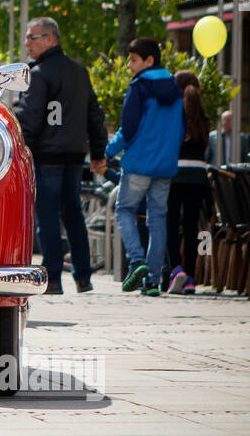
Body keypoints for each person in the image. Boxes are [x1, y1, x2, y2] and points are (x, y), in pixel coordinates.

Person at [14, 17, 107, 294]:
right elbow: (95, 115)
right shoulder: (80, 71)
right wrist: (98, 151)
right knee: (74, 215)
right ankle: (83, 277)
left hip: (48, 156)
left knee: (48, 217)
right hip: (74, 155)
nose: (27, 43)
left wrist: (21, 149)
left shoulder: (39, 74)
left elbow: (31, 119)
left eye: (33, 37)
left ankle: (53, 278)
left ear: (50, 39)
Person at [105, 38, 184, 296]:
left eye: (133, 60)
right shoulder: (176, 88)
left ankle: (137, 261)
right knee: (158, 220)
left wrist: (107, 152)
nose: (129, 65)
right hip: (165, 166)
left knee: (124, 210)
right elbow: (180, 129)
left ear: (149, 60)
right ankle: (152, 280)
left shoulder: (139, 87)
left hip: (139, 163)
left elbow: (127, 129)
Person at [165, 70, 211, 294]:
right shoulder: (203, 116)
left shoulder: (173, 113)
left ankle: (176, 269)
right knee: (192, 226)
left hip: (175, 174)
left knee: (171, 224)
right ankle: (191, 278)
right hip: (198, 176)